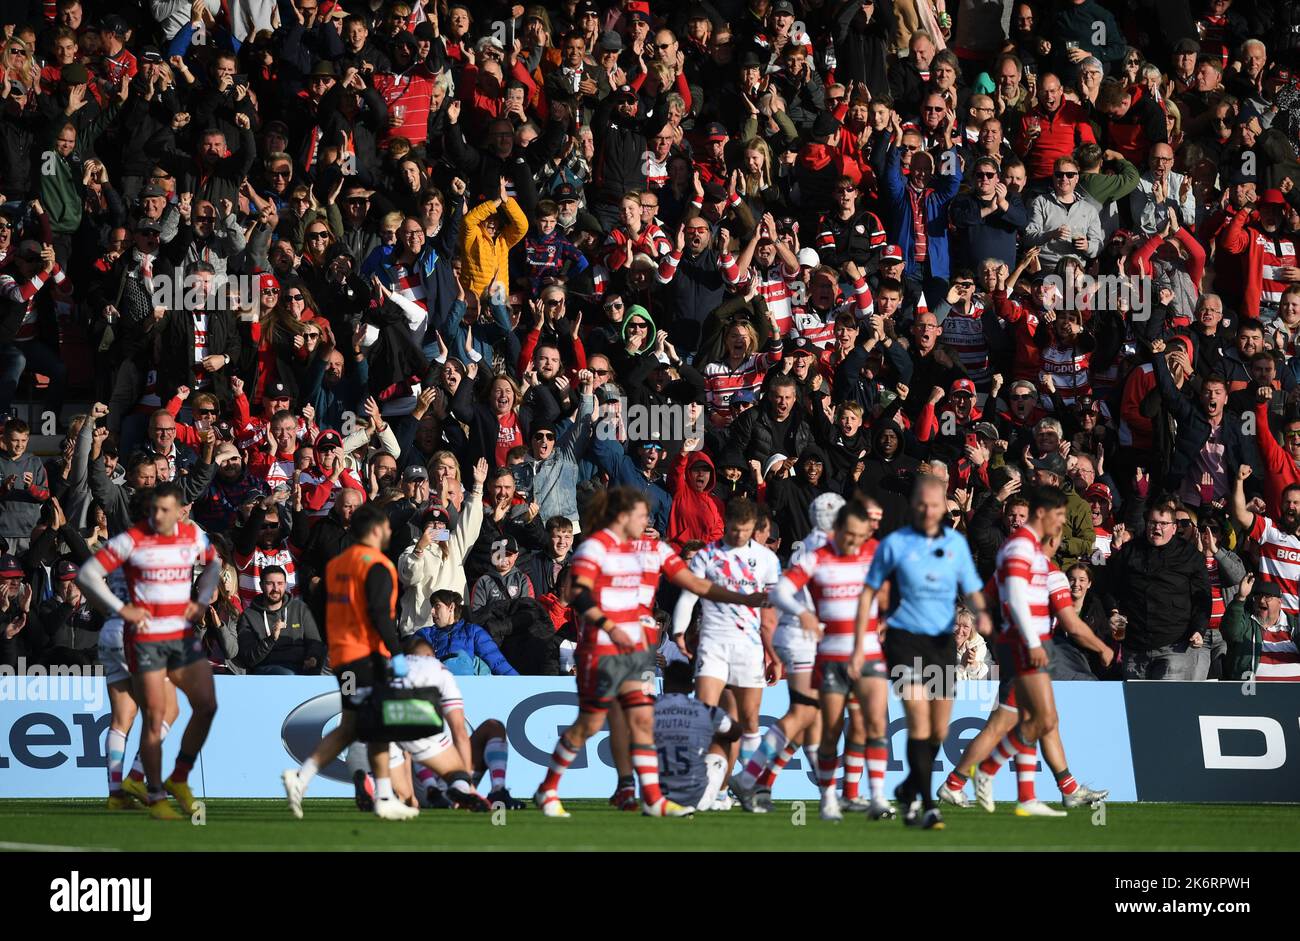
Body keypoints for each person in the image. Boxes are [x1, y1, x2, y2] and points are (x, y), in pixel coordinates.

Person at [533, 486, 767, 818]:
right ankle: (547, 789)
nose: (648, 521)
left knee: (642, 720)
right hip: (600, 649)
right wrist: (611, 627)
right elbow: (580, 595)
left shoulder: (653, 549)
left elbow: (695, 582)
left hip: (636, 651)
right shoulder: (594, 547)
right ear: (624, 516)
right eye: (642, 515)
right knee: (590, 723)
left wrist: (743, 599)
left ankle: (653, 798)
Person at [76, 482, 222, 820]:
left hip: (181, 637)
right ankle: (153, 793)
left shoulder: (191, 536)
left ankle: (173, 778)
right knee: (156, 715)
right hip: (144, 637)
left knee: (206, 704)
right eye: (154, 509)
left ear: (181, 511)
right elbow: (87, 574)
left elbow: (214, 564)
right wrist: (121, 608)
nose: (158, 515)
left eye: (165, 510)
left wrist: (201, 601)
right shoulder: (131, 540)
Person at [858, 475, 992, 829]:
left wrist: (984, 616)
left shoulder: (955, 545)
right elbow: (869, 593)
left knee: (937, 730)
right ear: (914, 505)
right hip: (905, 641)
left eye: (935, 505)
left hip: (941, 644)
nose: (929, 511)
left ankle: (907, 786)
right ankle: (926, 803)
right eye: (923, 504)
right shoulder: (894, 544)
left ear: (942, 506)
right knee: (917, 723)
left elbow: (973, 589)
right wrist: (861, 639)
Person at [281, 504, 416, 821]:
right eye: (385, 527)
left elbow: (328, 607)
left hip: (341, 657)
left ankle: (302, 780)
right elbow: (380, 615)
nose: (388, 533)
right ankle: (381, 795)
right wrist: (397, 656)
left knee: (353, 726)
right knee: (378, 724)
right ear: (375, 530)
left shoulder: (337, 565)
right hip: (368, 656)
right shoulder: (377, 565)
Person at [728, 492, 845, 812]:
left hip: (804, 637)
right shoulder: (821, 549)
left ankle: (774, 786)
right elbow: (785, 593)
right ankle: (751, 778)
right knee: (806, 714)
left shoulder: (812, 545)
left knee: (811, 720)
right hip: (801, 637)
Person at [670, 497, 780, 801]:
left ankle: (743, 786)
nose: (738, 536)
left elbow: (770, 612)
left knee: (749, 720)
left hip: (749, 647)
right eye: (734, 530)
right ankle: (699, 787)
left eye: (745, 531)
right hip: (714, 642)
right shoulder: (707, 555)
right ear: (726, 523)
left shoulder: (767, 560)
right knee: (705, 714)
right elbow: (690, 595)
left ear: (753, 528)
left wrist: (773, 654)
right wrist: (679, 630)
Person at [653, 660, 742, 811]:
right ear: (691, 686)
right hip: (697, 799)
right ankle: (721, 795)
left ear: (665, 684)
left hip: (657, 797)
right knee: (722, 738)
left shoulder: (649, 709)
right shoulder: (705, 710)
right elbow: (736, 732)